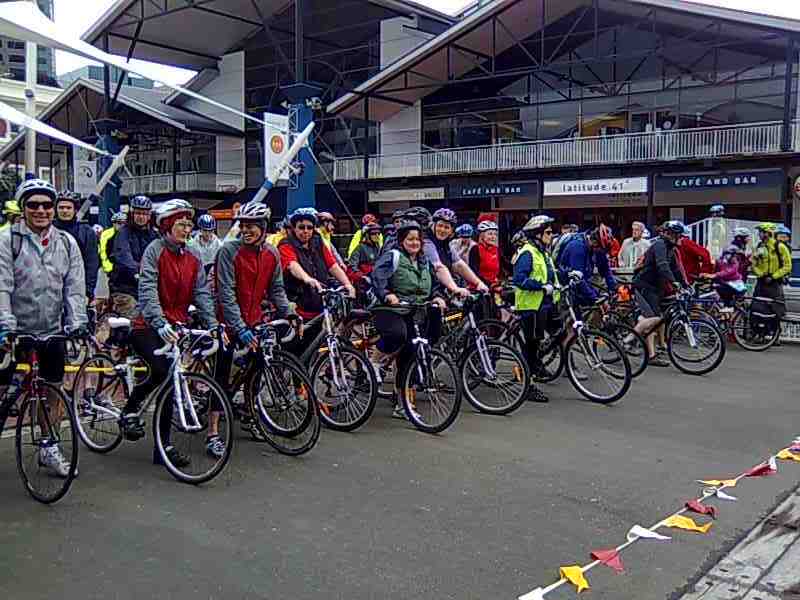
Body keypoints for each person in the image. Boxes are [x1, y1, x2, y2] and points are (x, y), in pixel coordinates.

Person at [120, 199, 221, 464]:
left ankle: (161, 448)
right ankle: (131, 411)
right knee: (164, 373)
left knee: (170, 380)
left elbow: (201, 293)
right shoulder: (154, 251)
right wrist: (159, 321)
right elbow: (147, 290)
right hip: (147, 325)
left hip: (176, 326)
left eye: (189, 225)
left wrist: (212, 325)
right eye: (181, 224)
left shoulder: (193, 256)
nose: (187, 229)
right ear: (167, 226)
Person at [0, 179, 88, 477]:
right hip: (13, 329)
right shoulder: (8, 239)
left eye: (47, 205)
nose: (41, 210)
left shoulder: (66, 242)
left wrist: (77, 322)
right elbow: (2, 286)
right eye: (33, 204)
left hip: (51, 329)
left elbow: (74, 287)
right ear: (23, 208)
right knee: (3, 390)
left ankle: (49, 447)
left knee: (52, 389)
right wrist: (6, 325)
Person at [214, 201, 297, 436]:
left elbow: (276, 290)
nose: (245, 230)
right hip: (227, 320)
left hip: (254, 319)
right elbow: (226, 294)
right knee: (221, 374)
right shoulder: (229, 251)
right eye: (242, 225)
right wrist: (239, 328)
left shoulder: (271, 253)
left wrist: (289, 313)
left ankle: (249, 414)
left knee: (258, 367)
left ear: (263, 227)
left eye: (251, 226)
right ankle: (213, 431)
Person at [371, 219, 446, 419]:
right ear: (402, 241)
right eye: (410, 239)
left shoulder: (424, 261)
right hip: (391, 309)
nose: (414, 243)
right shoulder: (393, 256)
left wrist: (438, 296)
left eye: (417, 239)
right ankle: (375, 362)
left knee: (411, 354)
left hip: (415, 311)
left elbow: (434, 285)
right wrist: (387, 294)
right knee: (398, 335)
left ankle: (402, 404)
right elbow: (378, 277)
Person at [278, 208, 355, 344]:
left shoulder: (317, 241)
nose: (306, 231)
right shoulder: (286, 244)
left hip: (318, 305)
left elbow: (332, 265)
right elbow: (292, 265)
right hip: (297, 305)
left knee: (317, 345)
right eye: (301, 227)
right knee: (297, 347)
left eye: (309, 227)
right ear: (294, 228)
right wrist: (307, 278)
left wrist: (347, 284)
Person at [512, 215, 560, 403]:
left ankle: (536, 364)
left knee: (558, 332)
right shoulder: (527, 253)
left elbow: (551, 274)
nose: (551, 235)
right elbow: (519, 279)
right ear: (537, 234)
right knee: (531, 346)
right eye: (548, 232)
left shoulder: (543, 253)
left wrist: (568, 275)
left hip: (545, 304)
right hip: (530, 306)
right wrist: (540, 287)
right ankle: (527, 385)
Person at [631, 221, 688, 367]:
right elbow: (662, 266)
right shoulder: (660, 245)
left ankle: (653, 349)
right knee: (654, 318)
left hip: (656, 288)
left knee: (658, 318)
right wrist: (674, 283)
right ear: (671, 235)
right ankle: (631, 339)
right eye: (679, 236)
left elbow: (675, 270)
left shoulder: (670, 249)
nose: (681, 239)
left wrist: (685, 285)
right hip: (644, 286)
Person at [110, 195, 157, 319]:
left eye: (145, 214)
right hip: (125, 289)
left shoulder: (154, 235)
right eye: (138, 213)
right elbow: (124, 257)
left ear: (150, 215)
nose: (141, 217)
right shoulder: (123, 233)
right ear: (132, 214)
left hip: (148, 288)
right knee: (134, 318)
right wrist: (138, 272)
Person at [424, 208, 490, 295]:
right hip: (427, 291)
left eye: (446, 227)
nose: (442, 230)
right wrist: (455, 288)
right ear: (434, 225)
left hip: (439, 289)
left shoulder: (446, 244)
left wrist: (478, 283)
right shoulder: (427, 242)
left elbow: (459, 264)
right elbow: (438, 267)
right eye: (440, 225)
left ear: (451, 231)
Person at [54, 191, 99, 304]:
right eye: (61, 207)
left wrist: (88, 292)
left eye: (68, 208)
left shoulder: (86, 232)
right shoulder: (48, 230)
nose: (65, 211)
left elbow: (91, 263)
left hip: (78, 288)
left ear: (75, 210)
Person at [556, 224, 617, 307]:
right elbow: (579, 280)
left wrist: (614, 288)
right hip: (568, 287)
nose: (602, 253)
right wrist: (595, 298)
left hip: (583, 282)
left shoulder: (597, 247)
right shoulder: (577, 248)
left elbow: (604, 268)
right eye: (602, 250)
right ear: (594, 242)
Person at [751, 222, 791, 319]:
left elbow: (787, 266)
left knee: (776, 308)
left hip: (774, 283)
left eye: (760, 232)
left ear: (767, 233)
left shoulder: (780, 247)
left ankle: (774, 326)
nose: (759, 234)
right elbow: (753, 264)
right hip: (761, 282)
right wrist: (760, 274)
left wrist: (773, 276)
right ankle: (757, 326)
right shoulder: (759, 246)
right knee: (757, 307)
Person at [715, 227, 751, 306]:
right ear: (739, 238)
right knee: (733, 304)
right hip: (730, 281)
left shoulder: (738, 248)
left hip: (733, 280)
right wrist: (748, 262)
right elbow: (734, 267)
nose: (749, 239)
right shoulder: (734, 250)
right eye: (746, 237)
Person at [468, 219, 501, 289]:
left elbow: (505, 266)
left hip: (493, 286)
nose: (493, 237)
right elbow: (474, 271)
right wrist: (489, 284)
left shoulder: (496, 249)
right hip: (478, 286)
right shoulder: (475, 249)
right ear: (482, 235)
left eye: (495, 234)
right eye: (490, 234)